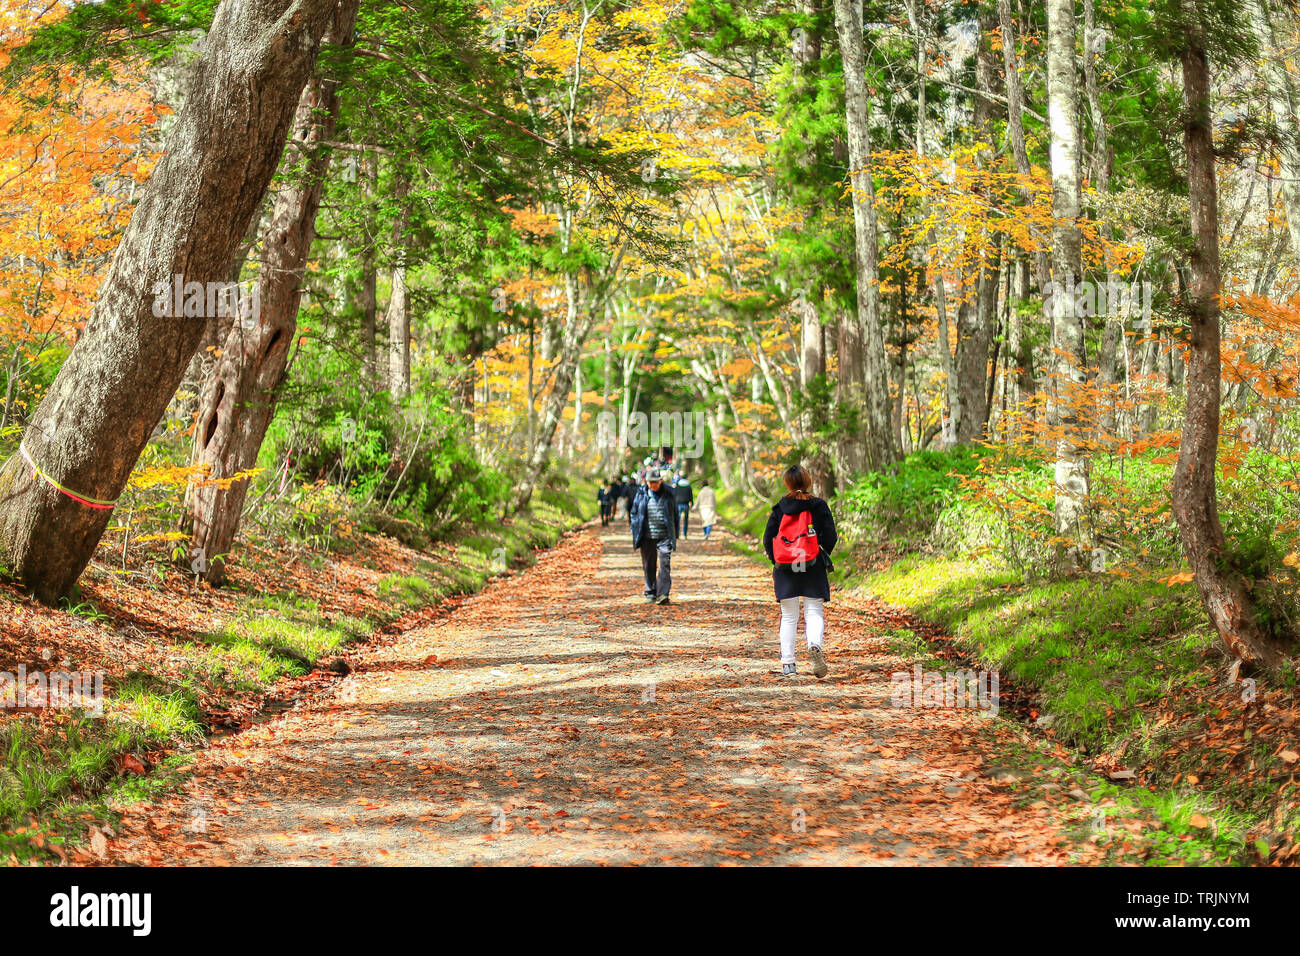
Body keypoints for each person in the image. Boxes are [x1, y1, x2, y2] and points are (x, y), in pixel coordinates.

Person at [762, 464, 837, 679]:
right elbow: (831, 535)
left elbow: (768, 539)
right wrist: (818, 553)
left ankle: (788, 665)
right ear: (808, 482)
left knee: (789, 616)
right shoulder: (819, 506)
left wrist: (777, 559)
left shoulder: (779, 508)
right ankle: (814, 644)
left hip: (786, 566)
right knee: (813, 610)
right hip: (812, 563)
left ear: (787, 483)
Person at [630, 467, 678, 605]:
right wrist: (635, 529)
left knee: (664, 564)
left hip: (664, 536)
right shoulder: (641, 494)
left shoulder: (669, 494)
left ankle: (663, 594)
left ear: (661, 481)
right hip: (646, 535)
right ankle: (650, 593)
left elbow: (675, 515)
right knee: (648, 565)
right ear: (646, 482)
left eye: (655, 482)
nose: (653, 485)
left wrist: (675, 534)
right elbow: (634, 513)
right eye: (650, 483)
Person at [673, 472, 693, 538]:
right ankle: (684, 534)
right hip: (686, 504)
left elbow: (674, 495)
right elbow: (691, 496)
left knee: (677, 520)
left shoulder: (677, 485)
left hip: (678, 504)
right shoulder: (688, 486)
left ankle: (677, 534)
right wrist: (691, 504)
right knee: (686, 520)